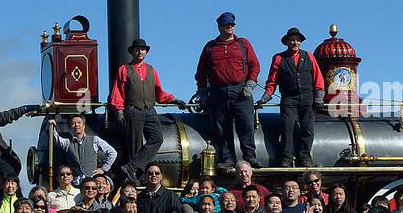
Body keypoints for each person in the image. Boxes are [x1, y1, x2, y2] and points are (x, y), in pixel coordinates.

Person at [109, 38, 185, 181]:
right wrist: (118, 111)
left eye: (143, 49)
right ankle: (135, 177)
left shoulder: (151, 69)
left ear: (146, 52)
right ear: (132, 52)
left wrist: (174, 100)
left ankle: (131, 167)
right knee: (135, 145)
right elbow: (117, 91)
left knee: (157, 138)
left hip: (149, 110)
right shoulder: (124, 69)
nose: (140, 51)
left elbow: (159, 92)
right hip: (133, 110)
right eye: (137, 49)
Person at [195, 12, 259, 173]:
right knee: (222, 128)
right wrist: (203, 94)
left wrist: (250, 85)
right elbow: (201, 72)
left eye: (231, 25)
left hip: (241, 91)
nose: (229, 27)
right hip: (218, 92)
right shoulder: (210, 47)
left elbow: (254, 65)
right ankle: (227, 159)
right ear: (219, 27)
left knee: (246, 126)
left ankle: (250, 158)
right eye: (226, 25)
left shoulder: (243, 44)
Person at [256, 28, 324, 167]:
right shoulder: (279, 58)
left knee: (308, 129)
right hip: (288, 98)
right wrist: (265, 97)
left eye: (298, 40)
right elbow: (272, 80)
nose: (295, 43)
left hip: (307, 97)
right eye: (292, 40)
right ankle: (286, 157)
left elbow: (318, 78)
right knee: (287, 127)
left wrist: (318, 98)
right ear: (287, 42)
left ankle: (305, 156)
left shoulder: (309, 56)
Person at [51, 113, 118, 181]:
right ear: (70, 127)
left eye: (79, 122)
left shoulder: (95, 140)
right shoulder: (67, 142)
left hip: (91, 180)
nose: (76, 125)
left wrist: (103, 169)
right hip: (74, 181)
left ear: (84, 126)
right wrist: (52, 126)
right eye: (73, 123)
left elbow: (112, 153)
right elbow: (56, 139)